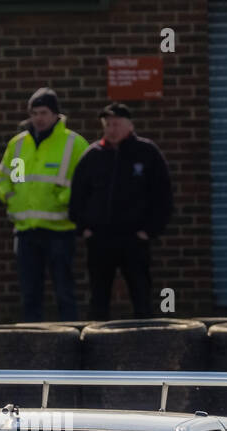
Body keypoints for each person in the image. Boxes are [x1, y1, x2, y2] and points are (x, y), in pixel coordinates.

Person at [69, 103, 173, 321]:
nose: (111, 129)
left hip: (134, 238)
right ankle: (95, 344)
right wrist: (84, 228)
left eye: (116, 124)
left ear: (129, 125)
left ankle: (148, 341)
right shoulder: (93, 155)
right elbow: (78, 194)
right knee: (98, 297)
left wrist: (149, 230)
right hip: (100, 239)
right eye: (107, 124)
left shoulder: (146, 153)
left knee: (141, 294)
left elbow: (163, 196)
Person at [0, 88, 88, 324]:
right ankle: (33, 344)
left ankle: (72, 341)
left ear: (56, 114)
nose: (39, 118)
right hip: (25, 230)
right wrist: (8, 196)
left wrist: (65, 198)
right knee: (29, 294)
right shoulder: (18, 144)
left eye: (44, 112)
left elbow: (88, 181)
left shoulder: (73, 143)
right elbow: (5, 178)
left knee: (64, 292)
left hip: (59, 230)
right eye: (34, 112)